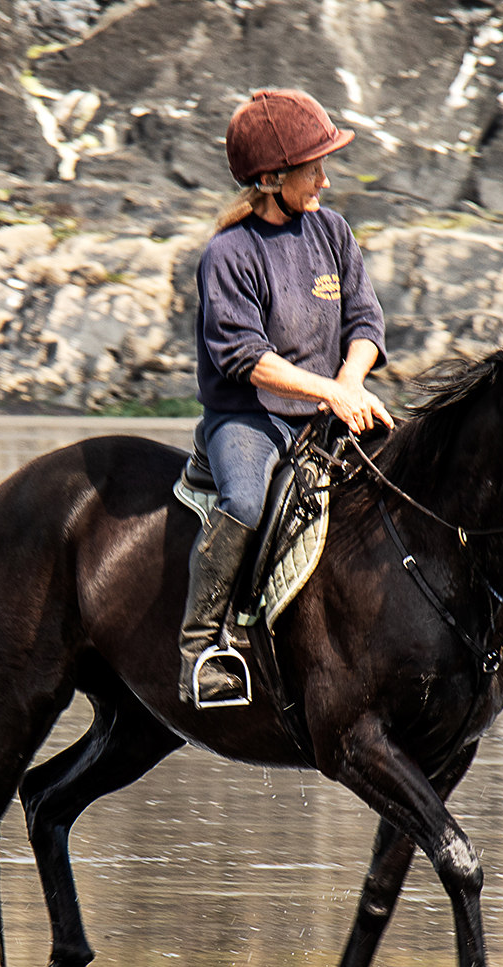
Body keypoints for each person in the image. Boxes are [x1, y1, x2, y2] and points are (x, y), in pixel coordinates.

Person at [179, 88, 394, 708]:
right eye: (313, 168)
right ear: (272, 178)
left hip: (330, 404)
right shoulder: (229, 254)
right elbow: (245, 358)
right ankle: (201, 649)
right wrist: (330, 390)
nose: (325, 180)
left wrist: (349, 383)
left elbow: (365, 323)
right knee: (245, 500)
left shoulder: (331, 232)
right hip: (250, 419)